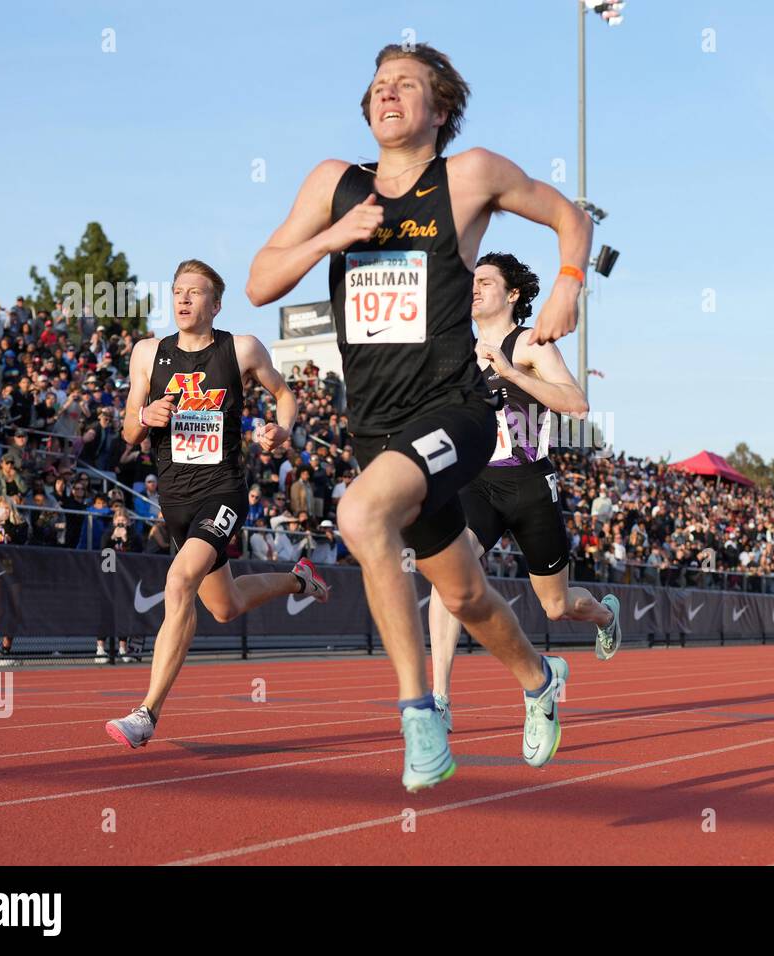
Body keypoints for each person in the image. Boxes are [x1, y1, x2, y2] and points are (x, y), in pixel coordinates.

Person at [246, 43, 591, 791]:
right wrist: (334, 237)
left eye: (405, 84)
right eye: (376, 85)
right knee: (463, 594)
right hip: (375, 424)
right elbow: (260, 281)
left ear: (440, 108)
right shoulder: (333, 184)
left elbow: (568, 215)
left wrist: (567, 287)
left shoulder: (469, 177)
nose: (387, 94)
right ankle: (539, 679)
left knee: (361, 514)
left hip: (452, 407)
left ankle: (418, 711)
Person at [105, 260, 331, 748]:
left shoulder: (241, 348)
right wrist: (145, 414)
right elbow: (127, 431)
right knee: (224, 606)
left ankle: (146, 713)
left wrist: (283, 430)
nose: (184, 299)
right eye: (178, 291)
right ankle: (300, 578)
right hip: (175, 497)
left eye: (196, 292)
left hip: (222, 490)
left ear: (216, 303)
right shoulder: (148, 353)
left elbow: (284, 393)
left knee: (179, 579)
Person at [425, 253, 619, 732]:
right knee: (450, 574)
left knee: (556, 606)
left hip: (531, 483)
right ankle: (440, 699)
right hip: (477, 483)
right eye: (471, 282)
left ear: (512, 294)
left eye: (485, 282)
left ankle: (602, 616)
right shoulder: (457, 351)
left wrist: (512, 373)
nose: (473, 289)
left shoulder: (530, 342)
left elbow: (576, 403)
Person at [0, 495, 29, 662]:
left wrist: (8, 525)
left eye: (7, 508)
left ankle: (6, 648)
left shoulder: (19, 525)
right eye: (1, 508)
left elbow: (21, 540)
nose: (4, 511)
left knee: (15, 609)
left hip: (14, 570)